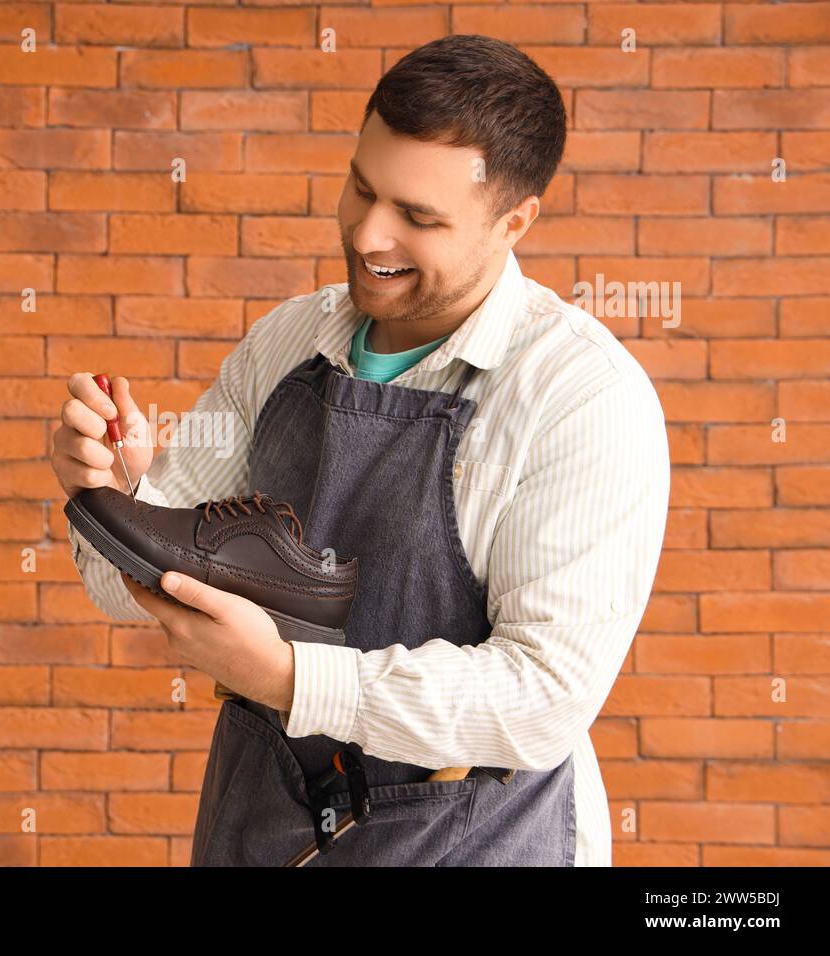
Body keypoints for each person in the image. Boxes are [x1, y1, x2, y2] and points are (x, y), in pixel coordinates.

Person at [51, 34, 670, 867]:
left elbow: (542, 700)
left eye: (418, 217)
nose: (369, 235)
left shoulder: (579, 397)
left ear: (514, 220)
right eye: (361, 188)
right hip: (264, 824)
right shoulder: (286, 344)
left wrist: (291, 681)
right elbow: (127, 592)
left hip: (471, 840)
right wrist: (113, 499)